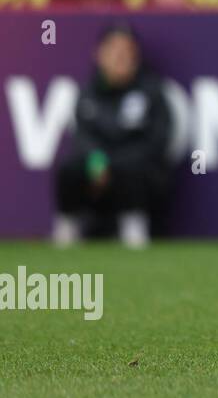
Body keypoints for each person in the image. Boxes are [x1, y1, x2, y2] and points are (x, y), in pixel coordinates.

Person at [53, 23, 173, 249]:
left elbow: (157, 142)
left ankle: (133, 225)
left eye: (126, 51)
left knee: (133, 170)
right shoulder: (88, 92)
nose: (121, 57)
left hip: (137, 175)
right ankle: (68, 226)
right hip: (97, 172)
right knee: (69, 169)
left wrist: (112, 165)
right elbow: (83, 136)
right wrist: (98, 162)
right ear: (99, 54)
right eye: (114, 51)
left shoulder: (152, 92)